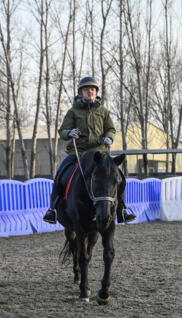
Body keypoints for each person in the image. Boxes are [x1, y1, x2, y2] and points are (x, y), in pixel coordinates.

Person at [43, 77, 136, 224]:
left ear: (96, 93)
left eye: (92, 90)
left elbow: (111, 129)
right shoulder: (72, 112)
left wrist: (109, 137)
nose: (90, 92)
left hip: (100, 154)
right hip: (78, 153)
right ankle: (53, 209)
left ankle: (122, 209)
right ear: (80, 93)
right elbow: (62, 131)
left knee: (120, 178)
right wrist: (69, 133)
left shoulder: (103, 111)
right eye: (86, 90)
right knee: (61, 174)